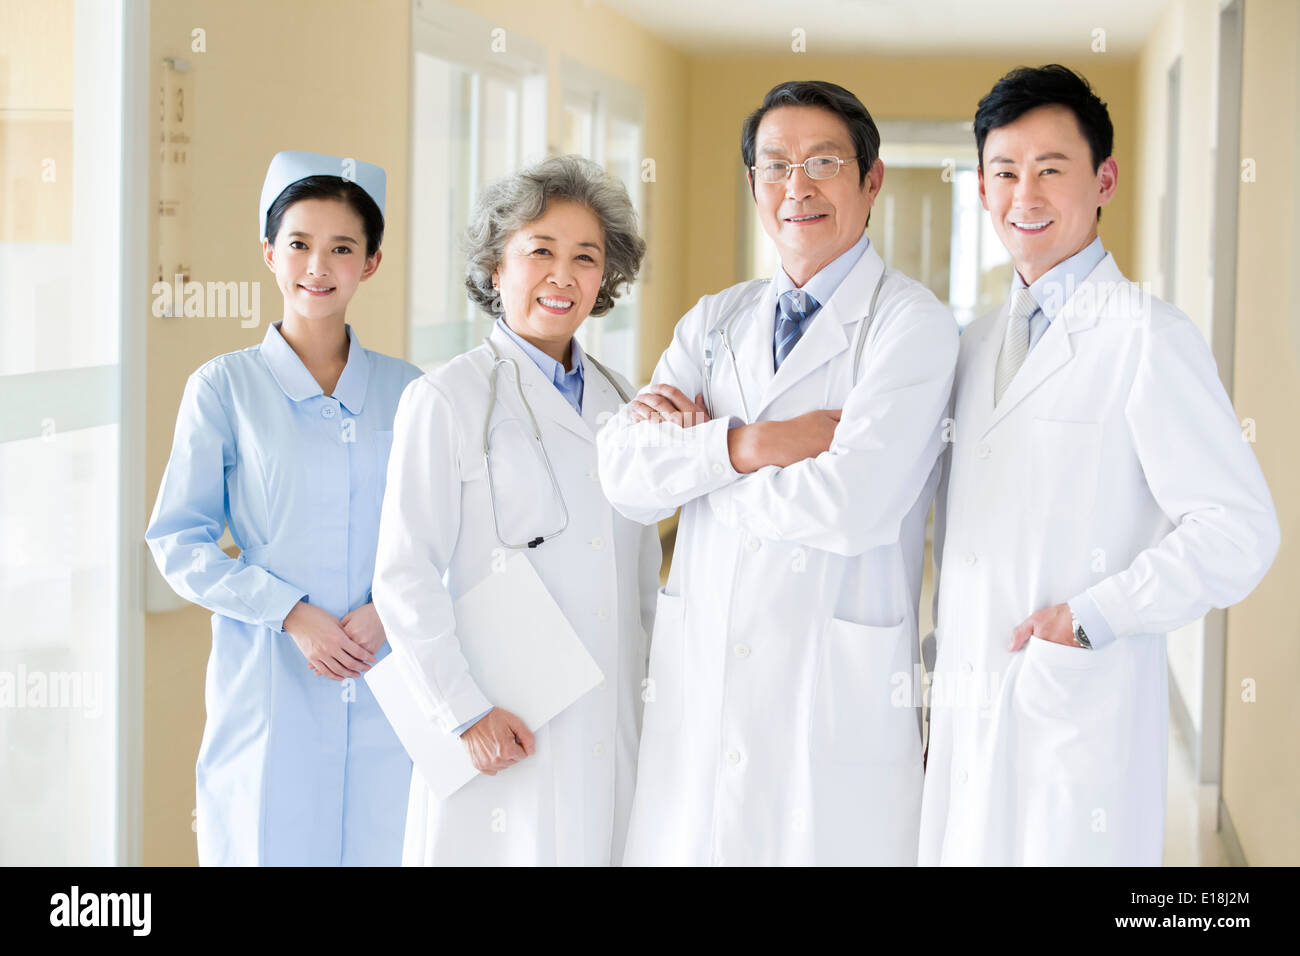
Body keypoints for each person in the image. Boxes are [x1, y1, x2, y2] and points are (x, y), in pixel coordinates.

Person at [919, 65, 1280, 866]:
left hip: (1074, 709)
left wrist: (1090, 618)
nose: (1026, 194)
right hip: (973, 699)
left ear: (1104, 179)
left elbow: (1240, 529)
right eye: (1005, 172)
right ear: (980, 187)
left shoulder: (1149, 336)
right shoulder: (973, 344)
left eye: (1052, 169)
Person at [597, 81, 959, 866]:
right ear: (755, 184)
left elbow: (850, 505)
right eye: (776, 165)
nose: (798, 186)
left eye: (824, 162)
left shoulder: (912, 326)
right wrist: (751, 445)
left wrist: (695, 465)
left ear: (872, 180)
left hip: (829, 694)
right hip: (703, 683)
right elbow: (625, 476)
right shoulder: (715, 319)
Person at [372, 155, 661, 867]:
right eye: (540, 251)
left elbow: (642, 575)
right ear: (496, 270)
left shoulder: (625, 400)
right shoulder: (447, 399)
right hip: (501, 718)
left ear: (605, 280)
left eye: (586, 258)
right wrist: (462, 711)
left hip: (609, 715)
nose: (563, 275)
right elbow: (404, 573)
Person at [145, 150, 421, 865]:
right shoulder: (223, 388)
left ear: (372, 263)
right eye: (298, 244)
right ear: (269, 254)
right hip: (269, 673)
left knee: (387, 840)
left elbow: (445, 532)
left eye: (342, 248)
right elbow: (180, 539)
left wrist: (389, 611)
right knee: (268, 839)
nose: (317, 265)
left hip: (387, 664)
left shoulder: (412, 391)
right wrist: (291, 613)